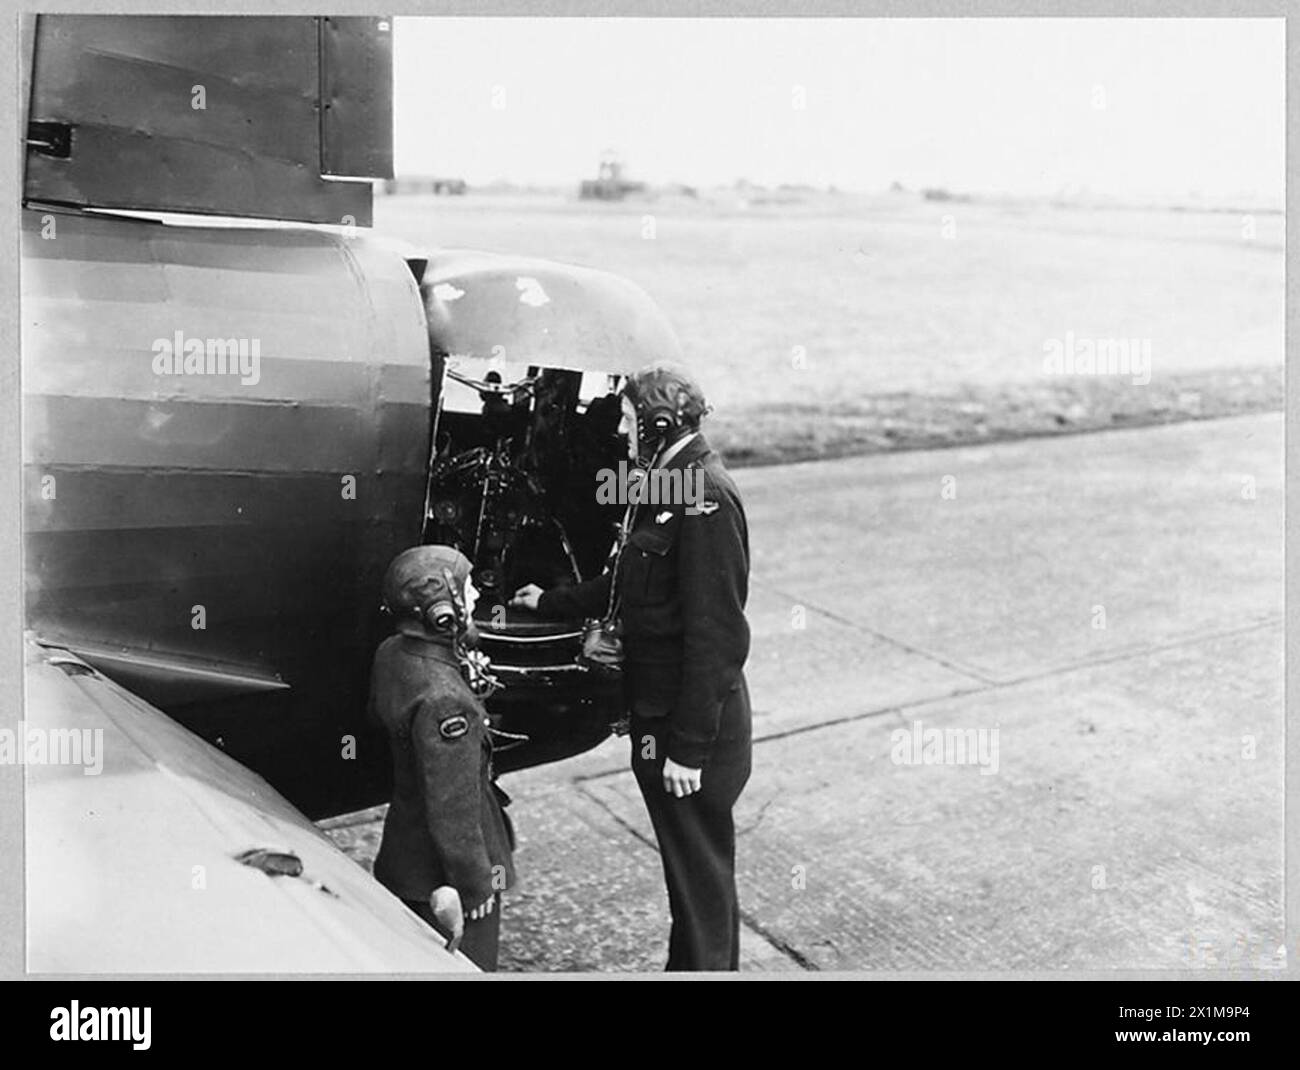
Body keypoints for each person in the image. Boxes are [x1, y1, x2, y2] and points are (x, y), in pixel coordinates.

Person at [511, 362, 752, 971]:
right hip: (660, 713)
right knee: (690, 872)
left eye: (627, 420)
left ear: (658, 422)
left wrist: (690, 749)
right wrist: (551, 602)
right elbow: (626, 579)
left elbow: (718, 635)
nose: (622, 432)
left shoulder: (705, 497)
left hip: (689, 725)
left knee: (699, 875)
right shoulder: (668, 480)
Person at [370, 545, 516, 970]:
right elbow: (453, 806)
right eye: (467, 590)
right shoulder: (446, 701)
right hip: (447, 874)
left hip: (405, 851)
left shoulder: (392, 654)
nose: (475, 597)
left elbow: (383, 719)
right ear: (440, 612)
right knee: (468, 966)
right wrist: (474, 887)